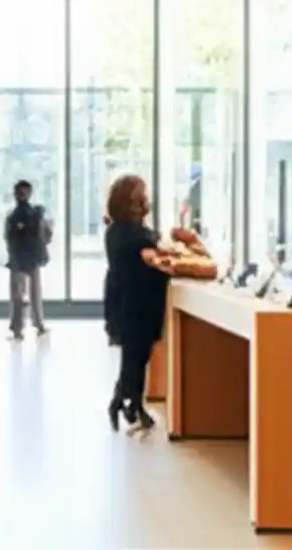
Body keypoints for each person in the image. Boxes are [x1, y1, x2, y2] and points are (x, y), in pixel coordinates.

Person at [103, 174, 171, 433]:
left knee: (136, 356)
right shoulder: (129, 233)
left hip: (130, 300)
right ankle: (126, 402)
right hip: (134, 302)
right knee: (136, 356)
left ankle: (130, 402)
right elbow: (150, 245)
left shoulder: (118, 230)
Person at [4, 180, 50, 340]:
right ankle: (39, 324)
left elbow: (9, 239)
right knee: (35, 293)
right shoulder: (37, 214)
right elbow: (47, 234)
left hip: (17, 259)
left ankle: (17, 328)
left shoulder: (12, 216)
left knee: (17, 295)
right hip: (33, 258)